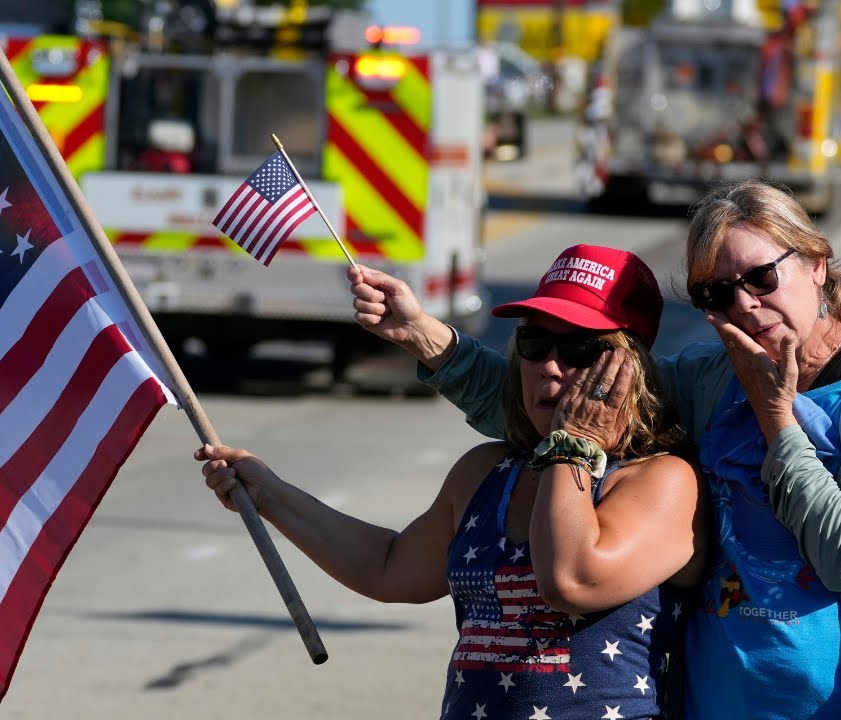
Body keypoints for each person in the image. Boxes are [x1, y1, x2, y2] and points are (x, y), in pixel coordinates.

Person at [347, 180, 841, 719]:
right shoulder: (710, 375)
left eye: (761, 277)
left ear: (817, 263)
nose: (743, 304)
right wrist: (426, 337)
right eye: (716, 294)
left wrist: (777, 422)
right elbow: (563, 400)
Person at [200, 244, 707, 719]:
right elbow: (390, 568)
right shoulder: (486, 472)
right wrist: (269, 494)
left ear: (630, 367)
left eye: (579, 351)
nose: (550, 367)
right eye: (533, 342)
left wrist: (573, 444)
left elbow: (572, 581)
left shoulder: (664, 480)